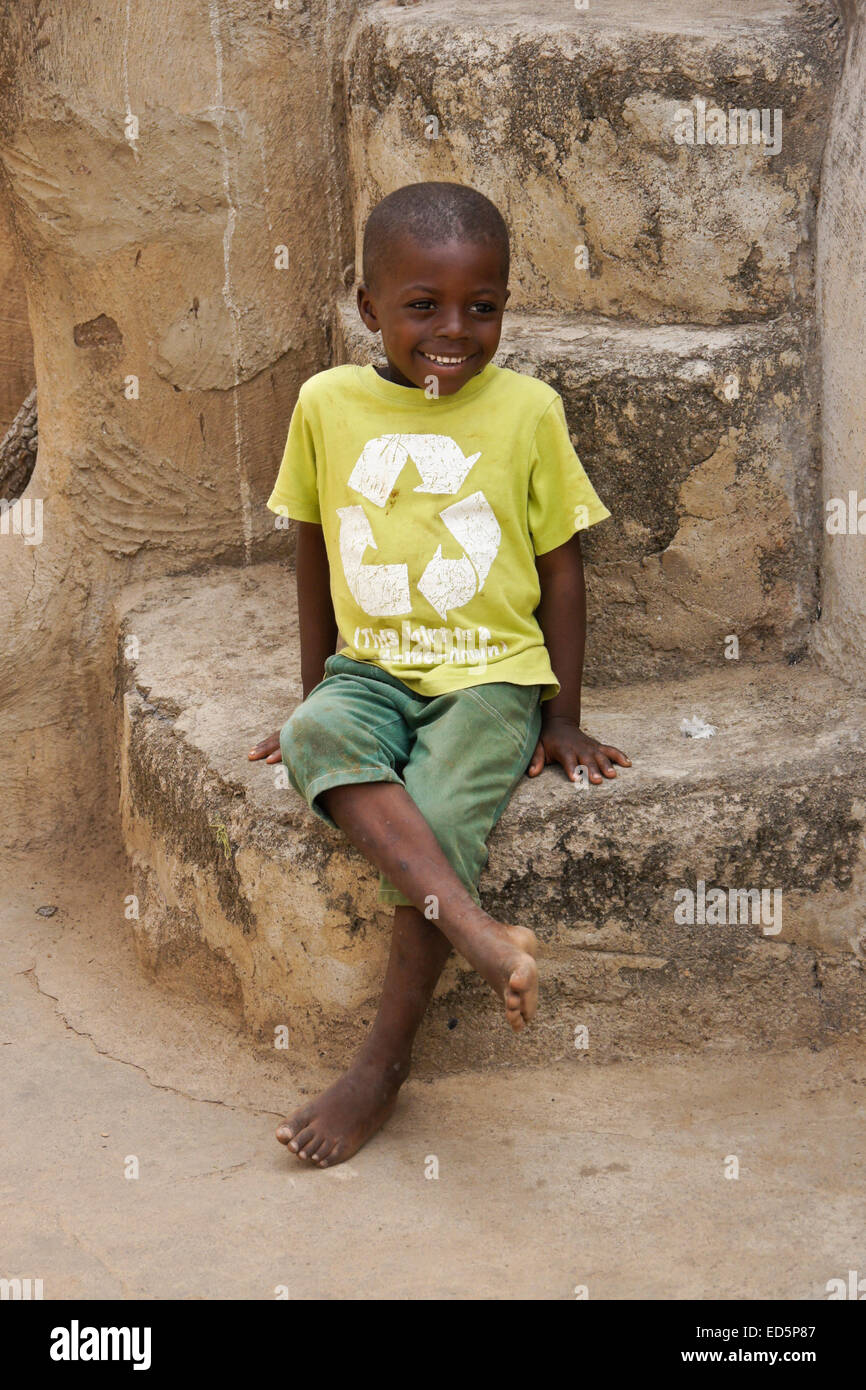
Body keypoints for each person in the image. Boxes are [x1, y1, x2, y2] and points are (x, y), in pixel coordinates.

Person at [249, 181, 630, 1168]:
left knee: (436, 808)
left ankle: (380, 1061)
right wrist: (313, 692)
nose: (454, 329)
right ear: (369, 307)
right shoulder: (326, 406)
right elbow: (311, 551)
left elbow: (559, 565)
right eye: (422, 305)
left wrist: (562, 714)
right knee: (312, 739)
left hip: (490, 676)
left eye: (483, 305)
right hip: (371, 669)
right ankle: (475, 931)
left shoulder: (526, 410)